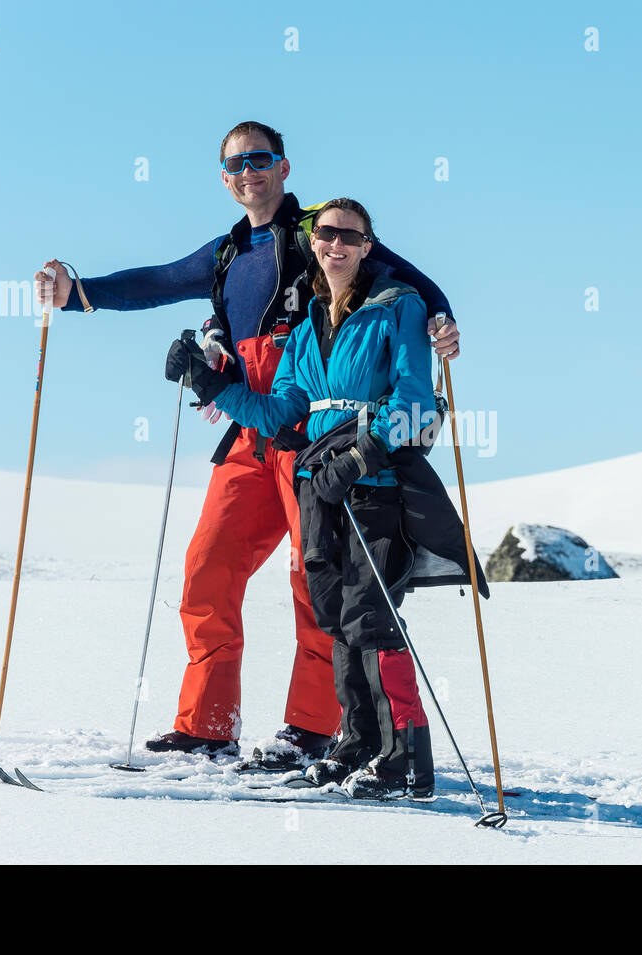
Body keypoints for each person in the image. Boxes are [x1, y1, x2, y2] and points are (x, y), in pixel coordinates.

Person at [34, 122, 460, 769]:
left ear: (284, 167)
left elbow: (407, 278)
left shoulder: (319, 228)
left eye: (260, 158)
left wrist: (440, 316)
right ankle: (208, 723)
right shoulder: (228, 251)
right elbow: (156, 281)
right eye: (235, 163)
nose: (248, 171)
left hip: (310, 433)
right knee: (208, 565)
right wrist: (78, 294)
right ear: (224, 177)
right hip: (251, 426)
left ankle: (314, 728)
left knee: (310, 579)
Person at [208, 198, 488, 799]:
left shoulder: (398, 309)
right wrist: (213, 387)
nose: (335, 244)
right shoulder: (306, 328)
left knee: (372, 614)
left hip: (376, 486)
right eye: (326, 233)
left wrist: (361, 458)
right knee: (335, 616)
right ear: (314, 244)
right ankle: (355, 743)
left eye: (349, 236)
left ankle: (403, 758)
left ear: (367, 247)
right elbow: (282, 414)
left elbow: (415, 398)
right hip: (317, 487)